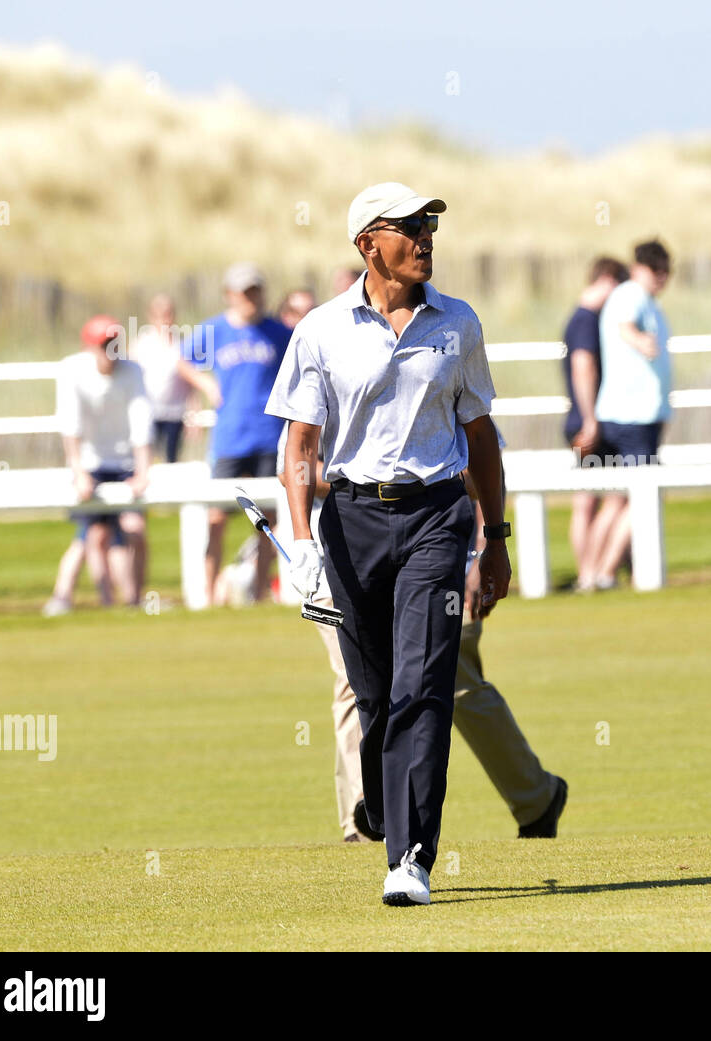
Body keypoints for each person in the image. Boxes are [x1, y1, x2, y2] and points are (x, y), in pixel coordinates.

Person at [268, 181, 510, 907]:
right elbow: (301, 444)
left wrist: (495, 537)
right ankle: (382, 799)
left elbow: (481, 437)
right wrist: (301, 535)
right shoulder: (320, 329)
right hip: (349, 522)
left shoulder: (458, 323)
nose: (427, 236)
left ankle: (410, 855)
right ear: (368, 243)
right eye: (410, 226)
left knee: (423, 684)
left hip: (437, 516)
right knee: (374, 694)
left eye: (430, 224)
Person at [276, 422, 566, 844]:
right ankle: (366, 818)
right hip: (340, 553)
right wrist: (363, 484)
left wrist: (483, 551)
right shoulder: (321, 357)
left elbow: (482, 460)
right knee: (355, 681)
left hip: (438, 547)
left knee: (450, 677)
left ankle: (536, 797)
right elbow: (294, 465)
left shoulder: (441, 356)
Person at [196, 262, 291, 605]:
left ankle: (259, 591)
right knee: (217, 517)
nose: (251, 298)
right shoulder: (214, 330)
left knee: (266, 520)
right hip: (230, 438)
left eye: (256, 291)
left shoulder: (279, 332)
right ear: (230, 295)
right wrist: (205, 383)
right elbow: (182, 360)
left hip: (268, 435)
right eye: (244, 292)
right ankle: (208, 596)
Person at [45, 315, 153, 614]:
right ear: (89, 347)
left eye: (115, 344)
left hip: (125, 463)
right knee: (94, 535)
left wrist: (143, 471)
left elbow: (141, 421)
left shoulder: (133, 372)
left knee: (133, 528)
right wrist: (78, 472)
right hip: (90, 463)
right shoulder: (72, 370)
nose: (111, 351)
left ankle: (133, 600)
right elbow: (71, 424)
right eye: (105, 345)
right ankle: (104, 601)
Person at [581, 241, 673, 590]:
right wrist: (640, 341)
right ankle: (602, 573)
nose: (662, 279)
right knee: (639, 497)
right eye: (659, 271)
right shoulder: (632, 294)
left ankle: (591, 573)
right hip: (634, 417)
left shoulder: (637, 296)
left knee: (618, 497)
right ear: (645, 269)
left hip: (631, 414)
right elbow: (624, 326)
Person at [561, 256, 629, 589]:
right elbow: (582, 367)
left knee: (587, 499)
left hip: (581, 420)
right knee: (602, 498)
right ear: (606, 279)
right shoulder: (587, 321)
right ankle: (592, 574)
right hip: (588, 422)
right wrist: (591, 419)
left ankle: (589, 575)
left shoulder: (580, 318)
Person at [130, 293, 219, 463]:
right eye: (159, 315)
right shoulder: (140, 344)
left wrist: (194, 414)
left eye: (168, 314)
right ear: (151, 316)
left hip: (175, 414)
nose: (165, 319)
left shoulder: (183, 344)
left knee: (171, 460)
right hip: (148, 413)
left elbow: (190, 381)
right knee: (144, 460)